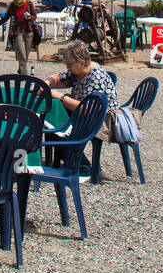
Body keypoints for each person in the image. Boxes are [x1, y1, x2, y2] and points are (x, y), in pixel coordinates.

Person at [45, 42, 124, 179]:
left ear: (82, 62)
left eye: (69, 64)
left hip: (101, 118)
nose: (67, 67)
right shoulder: (78, 72)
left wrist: (61, 97)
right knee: (52, 121)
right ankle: (70, 160)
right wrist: (48, 83)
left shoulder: (96, 77)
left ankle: (83, 167)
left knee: (61, 128)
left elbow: (88, 109)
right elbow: (59, 78)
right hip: (83, 113)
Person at [0, 0, 38, 75]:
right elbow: (6, 17)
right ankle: (24, 74)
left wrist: (29, 18)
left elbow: (34, 16)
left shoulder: (29, 3)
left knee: (26, 54)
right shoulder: (13, 5)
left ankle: (21, 70)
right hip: (18, 32)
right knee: (22, 53)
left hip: (29, 31)